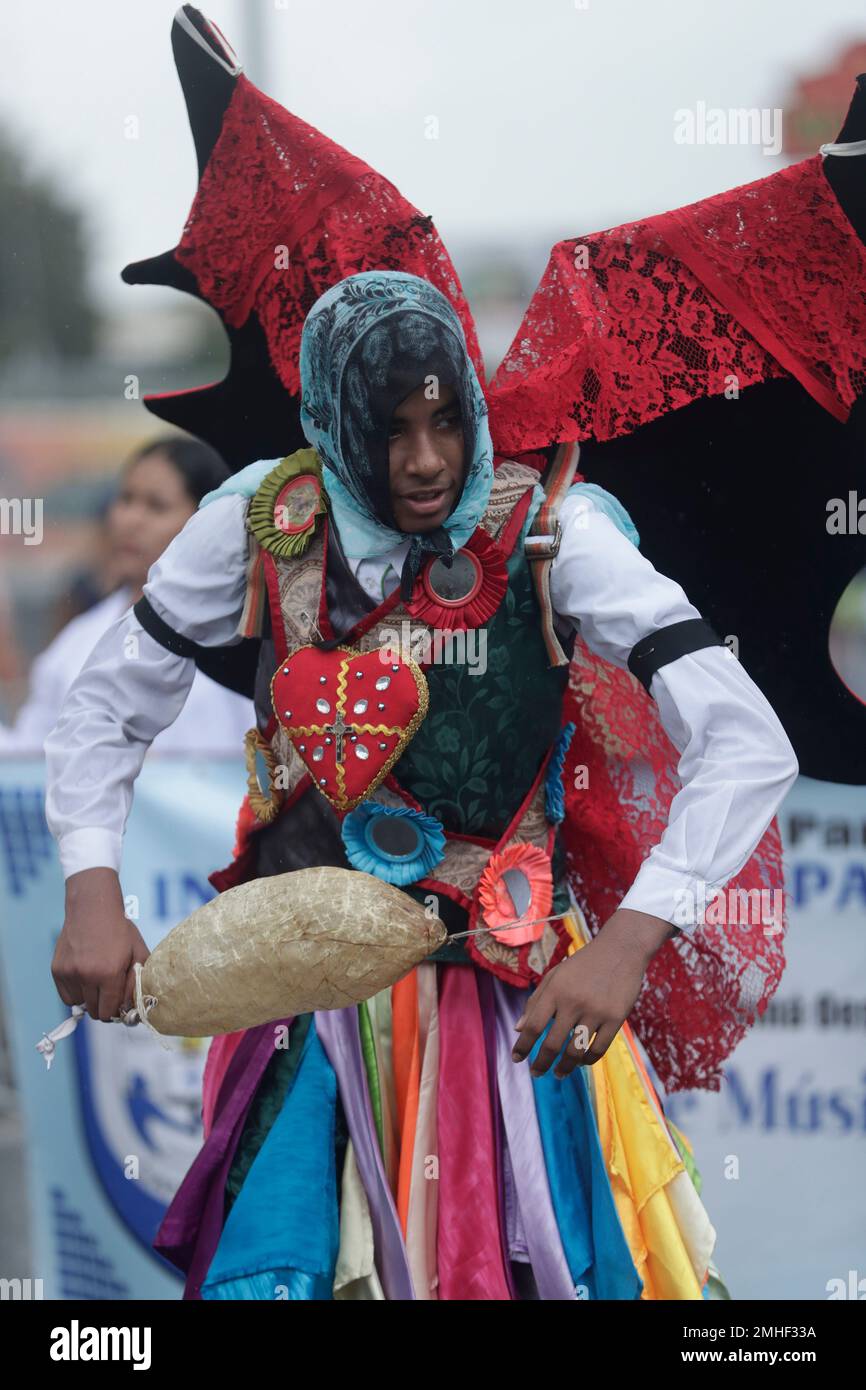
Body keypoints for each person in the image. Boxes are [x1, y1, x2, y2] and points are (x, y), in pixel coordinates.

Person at [44, 270, 798, 1300]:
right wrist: (90, 889)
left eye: (446, 420)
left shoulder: (551, 533)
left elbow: (747, 738)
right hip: (299, 1019)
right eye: (389, 427)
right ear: (326, 416)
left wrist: (627, 941)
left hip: (511, 1014)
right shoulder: (254, 524)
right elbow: (100, 709)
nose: (426, 459)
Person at [2, 437, 254, 755]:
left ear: (205, 522)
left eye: (156, 506)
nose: (129, 520)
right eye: (125, 499)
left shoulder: (240, 638)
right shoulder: (78, 640)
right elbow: (29, 757)